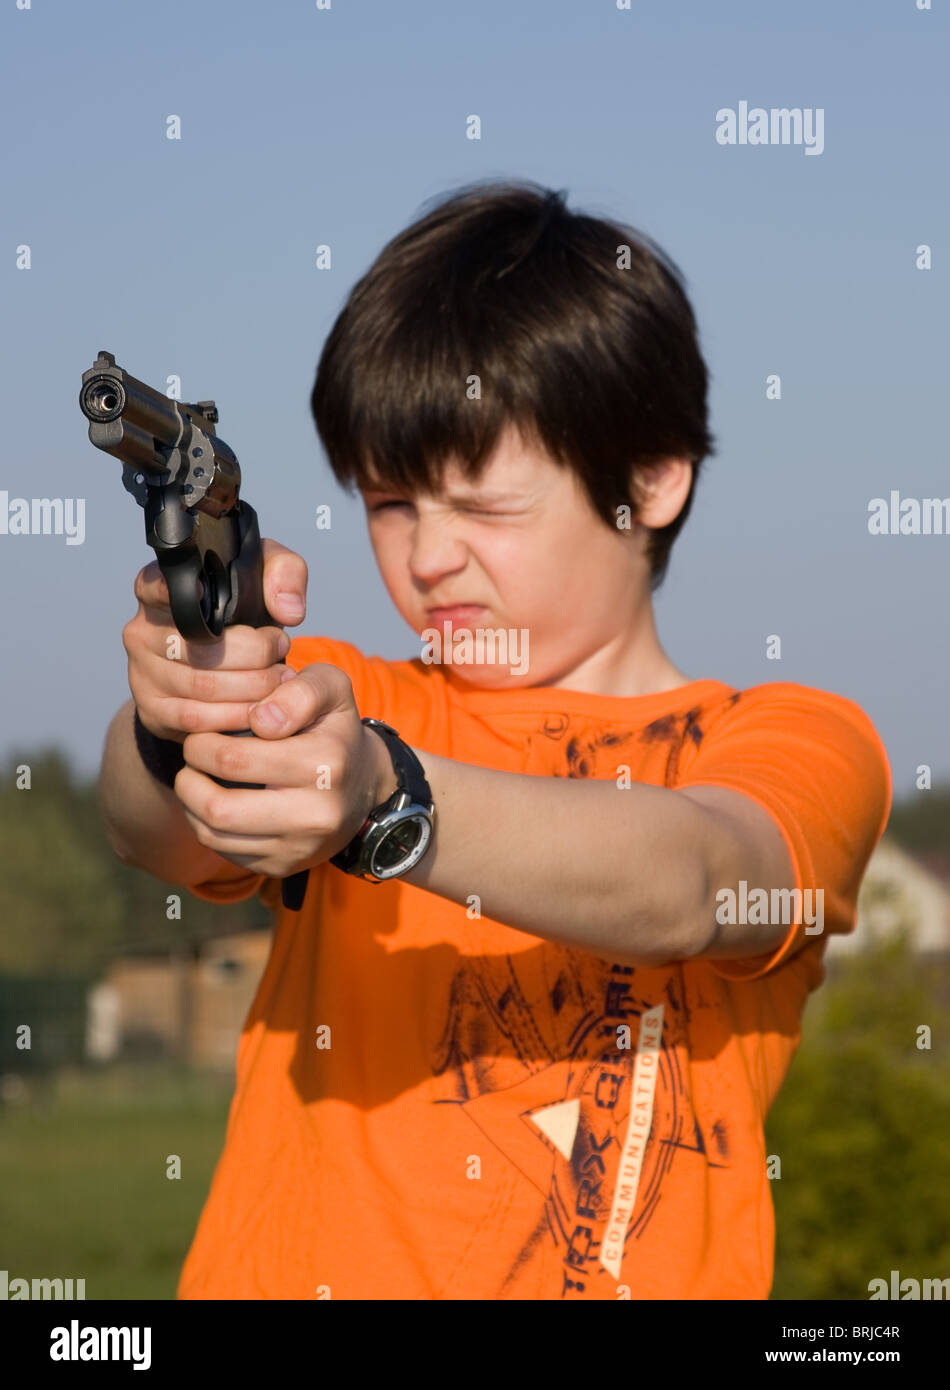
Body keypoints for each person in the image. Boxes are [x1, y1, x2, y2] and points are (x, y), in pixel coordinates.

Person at [99, 180, 891, 1300]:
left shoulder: (793, 737)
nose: (426, 559)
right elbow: (156, 838)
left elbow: (701, 880)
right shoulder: (347, 692)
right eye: (390, 503)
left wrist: (386, 801)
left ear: (651, 477)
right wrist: (174, 718)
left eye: (481, 507)